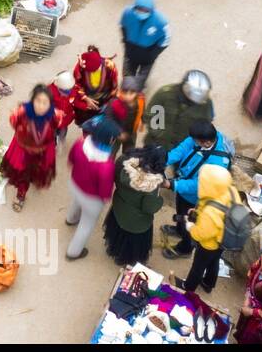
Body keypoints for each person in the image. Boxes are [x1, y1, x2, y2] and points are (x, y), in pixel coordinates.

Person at [161, 120, 234, 258]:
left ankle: (185, 248)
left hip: (195, 197)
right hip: (183, 183)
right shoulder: (203, 137)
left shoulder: (218, 162)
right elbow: (182, 149)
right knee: (180, 210)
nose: (192, 142)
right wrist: (163, 160)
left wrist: (173, 185)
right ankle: (179, 229)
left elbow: (199, 184)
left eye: (196, 141)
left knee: (190, 221)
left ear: (206, 143)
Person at [65, 116, 123, 260]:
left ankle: (70, 219)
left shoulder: (80, 143)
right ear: (110, 140)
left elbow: (71, 160)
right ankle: (73, 252)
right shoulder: (106, 165)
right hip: (91, 198)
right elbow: (104, 189)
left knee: (76, 203)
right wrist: (105, 199)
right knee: (87, 224)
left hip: (75, 185)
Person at [2, 85, 66, 212]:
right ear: (32, 100)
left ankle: (34, 181)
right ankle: (21, 195)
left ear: (50, 104)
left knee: (38, 171)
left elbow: (59, 127)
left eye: (45, 102)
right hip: (23, 150)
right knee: (23, 174)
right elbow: (13, 122)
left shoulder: (55, 116)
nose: (41, 106)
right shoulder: (21, 113)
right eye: (38, 101)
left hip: (43, 151)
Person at [178, 163, 240, 294]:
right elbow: (214, 202)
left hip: (209, 244)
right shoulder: (229, 190)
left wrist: (190, 227)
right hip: (225, 237)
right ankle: (208, 283)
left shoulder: (211, 212)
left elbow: (200, 234)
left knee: (198, 266)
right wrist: (198, 210)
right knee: (214, 260)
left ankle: (187, 287)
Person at [103, 146, 167, 266]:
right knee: (131, 246)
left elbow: (115, 176)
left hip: (119, 207)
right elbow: (149, 208)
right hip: (137, 221)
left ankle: (114, 251)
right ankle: (125, 259)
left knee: (117, 234)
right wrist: (160, 200)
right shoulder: (152, 185)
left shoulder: (125, 161)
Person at [144, 70, 214, 153]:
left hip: (184, 149)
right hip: (157, 144)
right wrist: (159, 136)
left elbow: (205, 126)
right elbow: (151, 116)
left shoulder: (206, 104)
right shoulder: (165, 94)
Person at [118, 0, 169, 86]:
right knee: (127, 78)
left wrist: (153, 54)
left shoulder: (161, 21)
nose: (142, 12)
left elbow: (166, 39)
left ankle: (138, 92)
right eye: (139, 9)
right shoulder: (127, 13)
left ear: (151, 10)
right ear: (135, 7)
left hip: (147, 56)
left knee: (140, 81)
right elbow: (122, 26)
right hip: (130, 52)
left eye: (146, 10)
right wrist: (126, 42)